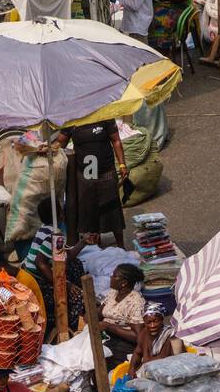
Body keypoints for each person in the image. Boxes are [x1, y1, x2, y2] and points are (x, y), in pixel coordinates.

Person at [53, 119, 127, 249]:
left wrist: (122, 164)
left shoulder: (105, 116)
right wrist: (45, 149)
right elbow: (60, 142)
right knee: (90, 211)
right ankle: (97, 247)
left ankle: (121, 246)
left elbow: (116, 141)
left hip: (106, 172)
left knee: (112, 209)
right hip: (85, 175)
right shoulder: (72, 121)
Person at [23, 199, 85, 332]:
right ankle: (71, 325)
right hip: (38, 280)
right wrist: (64, 285)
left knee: (76, 264)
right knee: (80, 298)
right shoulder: (55, 235)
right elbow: (40, 263)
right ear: (60, 215)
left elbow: (65, 256)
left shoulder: (44, 228)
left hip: (31, 273)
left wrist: (84, 242)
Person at [100, 261, 145, 362]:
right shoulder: (113, 293)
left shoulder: (135, 302)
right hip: (106, 335)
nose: (111, 277)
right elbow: (100, 311)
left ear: (124, 283)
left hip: (122, 343)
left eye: (115, 276)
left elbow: (137, 336)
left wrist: (109, 326)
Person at [127, 302, 183, 377]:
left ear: (162, 319)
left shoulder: (170, 336)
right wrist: (131, 369)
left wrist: (145, 363)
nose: (152, 325)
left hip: (166, 373)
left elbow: (165, 361)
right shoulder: (144, 333)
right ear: (144, 322)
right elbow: (137, 353)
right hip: (148, 371)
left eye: (156, 321)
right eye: (149, 322)